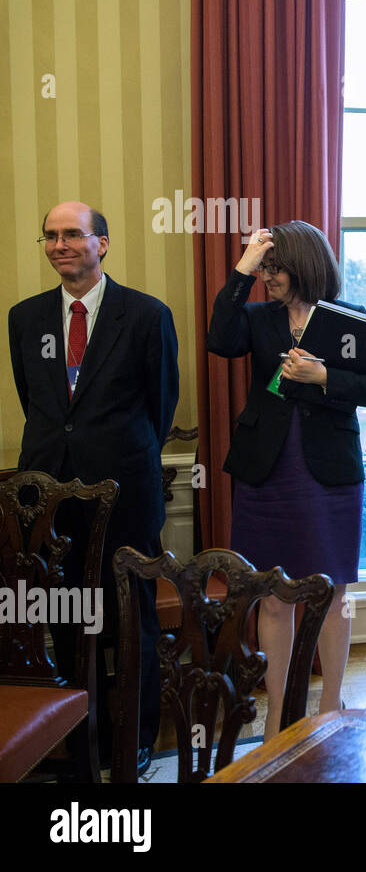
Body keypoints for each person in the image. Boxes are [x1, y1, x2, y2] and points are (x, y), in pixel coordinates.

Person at [206, 222, 366, 740]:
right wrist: (243, 267)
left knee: (332, 592)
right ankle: (278, 712)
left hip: (329, 476)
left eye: (276, 268)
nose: (269, 277)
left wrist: (326, 379)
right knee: (273, 595)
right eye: (264, 268)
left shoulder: (347, 321)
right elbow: (218, 339)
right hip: (265, 474)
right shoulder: (259, 319)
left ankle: (331, 705)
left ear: (306, 265)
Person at [9, 201, 179, 771]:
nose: (60, 245)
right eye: (50, 236)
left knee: (132, 619)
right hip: (49, 499)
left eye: (73, 235)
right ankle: (76, 738)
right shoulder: (24, 318)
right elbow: (37, 404)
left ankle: (135, 738)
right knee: (64, 616)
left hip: (126, 495)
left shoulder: (147, 315)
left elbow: (160, 407)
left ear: (101, 244)